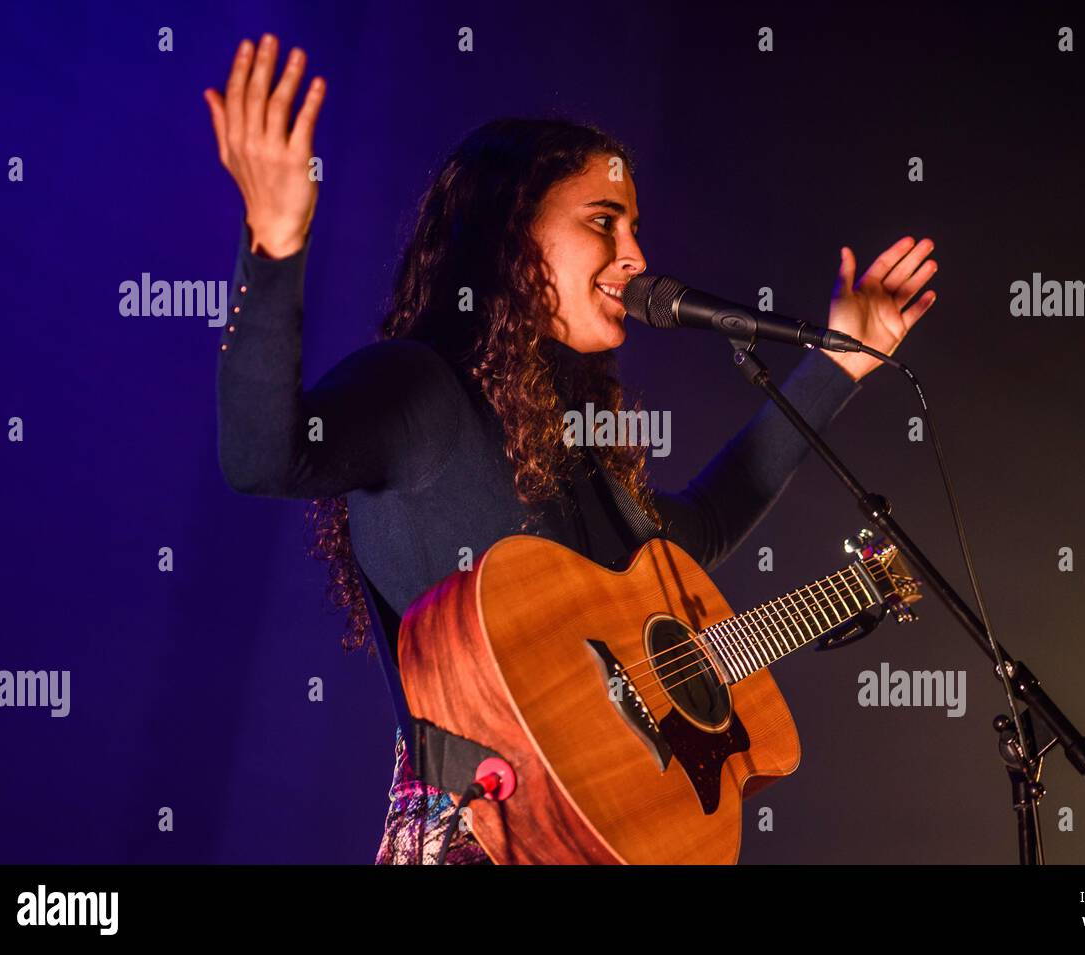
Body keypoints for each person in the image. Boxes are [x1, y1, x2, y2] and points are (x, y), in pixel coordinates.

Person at [203, 33, 939, 865]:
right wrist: (273, 247)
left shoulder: (577, 441)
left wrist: (838, 361)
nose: (637, 256)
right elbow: (263, 457)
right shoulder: (422, 389)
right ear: (512, 234)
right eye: (604, 221)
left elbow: (703, 529)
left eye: (635, 226)